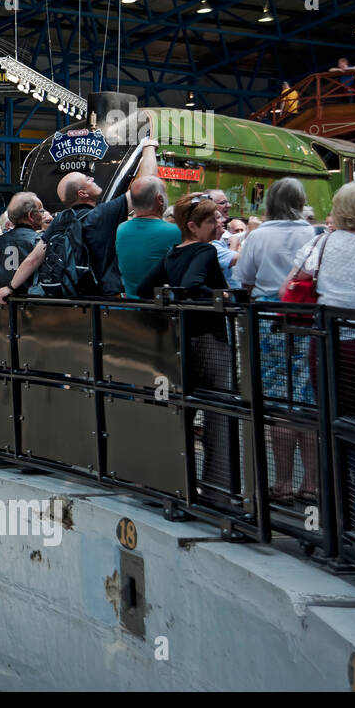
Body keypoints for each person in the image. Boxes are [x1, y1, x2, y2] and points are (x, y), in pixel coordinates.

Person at [136, 193, 233, 492]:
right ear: (193, 225)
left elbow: (143, 288)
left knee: (181, 410)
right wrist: (220, 296)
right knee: (219, 414)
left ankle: (174, 483)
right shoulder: (205, 250)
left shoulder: (172, 253)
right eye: (212, 220)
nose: (219, 224)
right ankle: (219, 489)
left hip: (179, 340)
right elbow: (191, 286)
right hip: (209, 340)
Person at [232, 177, 318, 502]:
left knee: (279, 404)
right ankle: (311, 484)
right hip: (308, 323)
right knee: (309, 403)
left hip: (268, 322)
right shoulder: (311, 233)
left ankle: (282, 483)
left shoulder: (258, 236)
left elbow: (245, 280)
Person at [0, 139, 159, 302]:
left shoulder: (60, 220)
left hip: (69, 302)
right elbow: (147, 184)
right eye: (87, 179)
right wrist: (149, 147)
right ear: (83, 194)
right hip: (103, 301)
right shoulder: (103, 214)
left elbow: (34, 259)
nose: (92, 179)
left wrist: (10, 287)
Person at [304, 182, 355, 497]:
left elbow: (295, 279)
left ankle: (341, 510)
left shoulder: (321, 244)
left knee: (334, 420)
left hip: (326, 345)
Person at [115, 177, 181, 300]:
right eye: (165, 193)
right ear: (160, 199)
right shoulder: (175, 231)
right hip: (162, 311)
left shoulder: (122, 229)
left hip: (132, 312)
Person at [0, 193, 45, 296]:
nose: (43, 215)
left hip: (2, 307)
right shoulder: (40, 242)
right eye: (41, 211)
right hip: (35, 308)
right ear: (31, 215)